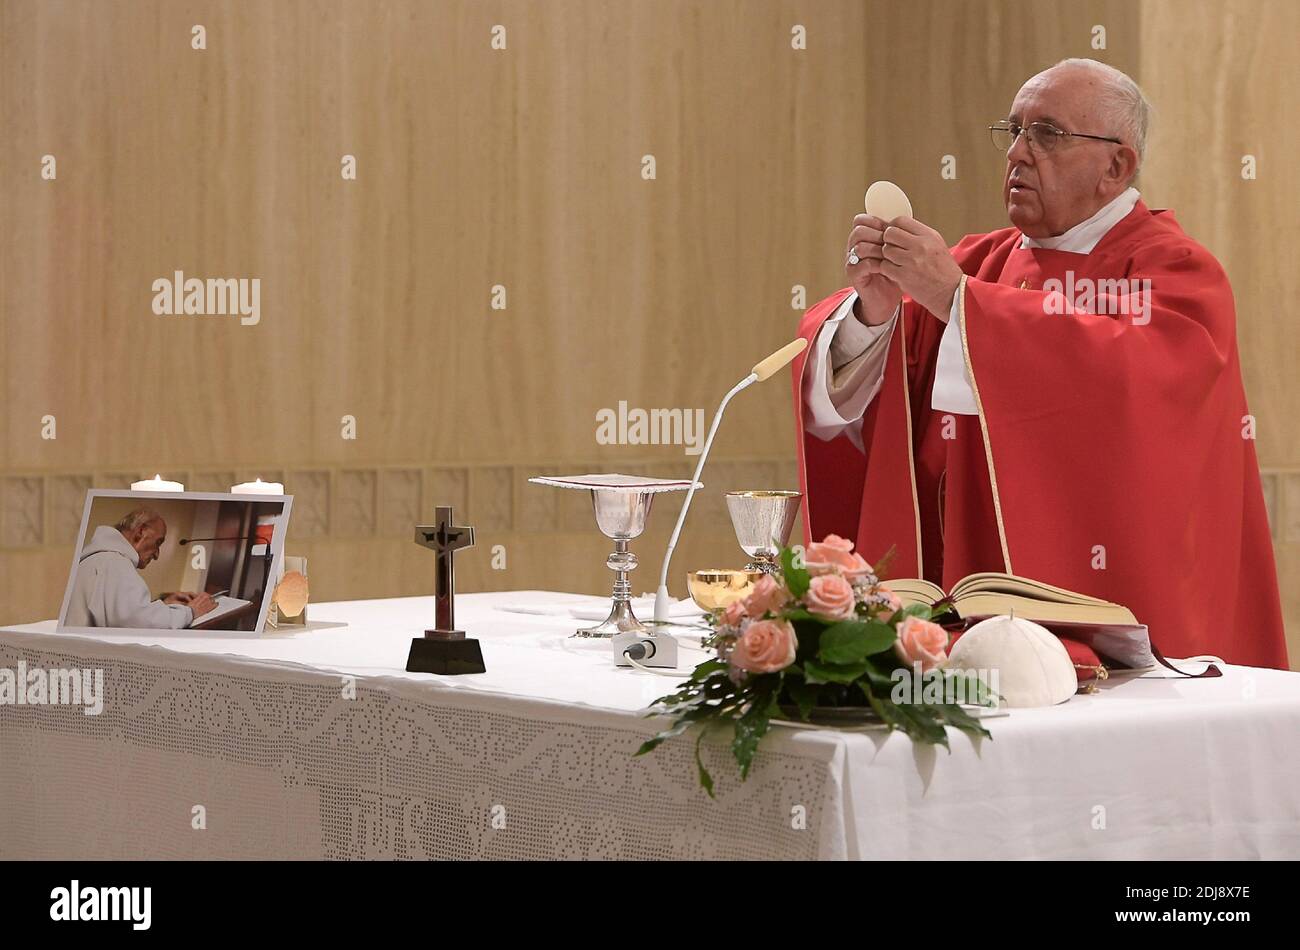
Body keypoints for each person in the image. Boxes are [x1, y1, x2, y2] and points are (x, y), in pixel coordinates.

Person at [791, 58, 1287, 668]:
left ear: (1117, 165)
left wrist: (960, 303)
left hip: (1117, 613)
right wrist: (875, 310)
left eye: (1047, 134)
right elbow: (867, 391)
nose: (1018, 154)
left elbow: (1135, 384)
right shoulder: (976, 262)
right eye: (1014, 130)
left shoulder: (1175, 270)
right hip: (962, 607)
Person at [64, 507, 216, 629]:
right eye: (158, 543)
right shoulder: (114, 562)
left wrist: (164, 605)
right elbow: (135, 623)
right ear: (141, 532)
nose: (157, 555)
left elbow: (121, 614)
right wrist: (191, 611)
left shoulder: (99, 560)